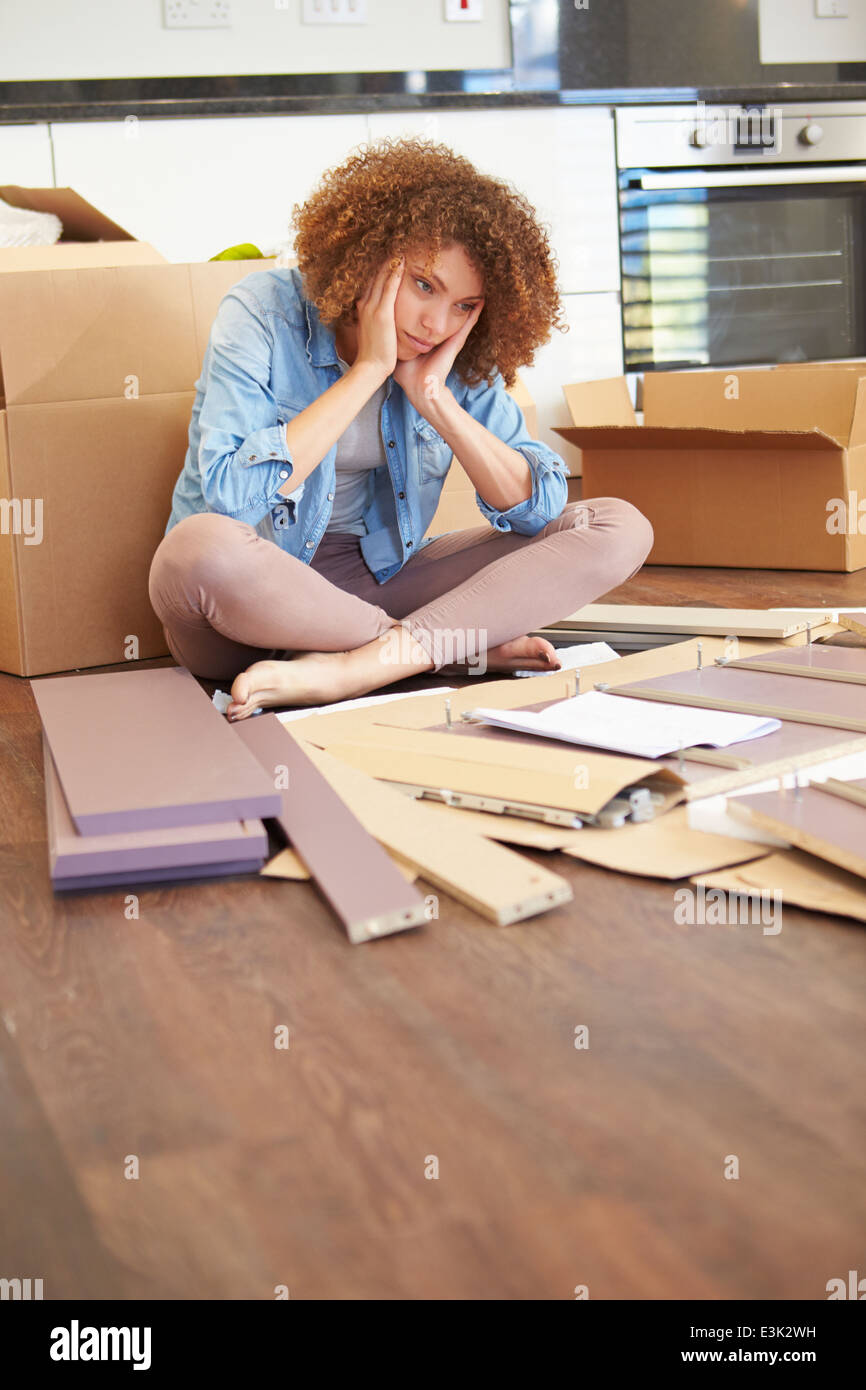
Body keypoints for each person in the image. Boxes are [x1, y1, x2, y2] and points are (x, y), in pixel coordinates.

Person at [148, 138, 653, 721]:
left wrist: (436, 399)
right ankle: (441, 651)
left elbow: (537, 511)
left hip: (370, 580)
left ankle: (356, 667)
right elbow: (229, 496)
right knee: (194, 549)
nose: (438, 324)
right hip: (249, 600)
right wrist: (368, 372)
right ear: (369, 255)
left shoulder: (454, 356)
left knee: (617, 525)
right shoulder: (262, 311)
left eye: (466, 305)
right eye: (424, 285)